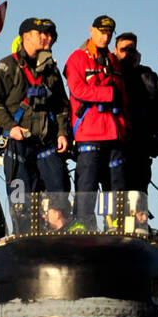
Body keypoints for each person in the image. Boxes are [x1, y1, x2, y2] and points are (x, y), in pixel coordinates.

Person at [0, 17, 70, 232]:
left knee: (59, 191)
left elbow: (62, 105)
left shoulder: (51, 70)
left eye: (50, 35)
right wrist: (11, 127)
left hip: (46, 142)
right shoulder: (7, 66)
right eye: (42, 34)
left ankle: (58, 232)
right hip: (19, 143)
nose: (48, 38)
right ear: (26, 37)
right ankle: (24, 234)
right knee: (21, 197)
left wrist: (62, 133)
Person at [63, 15, 128, 226]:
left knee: (114, 180)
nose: (105, 37)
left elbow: (123, 96)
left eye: (109, 33)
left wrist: (124, 127)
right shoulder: (77, 58)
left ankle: (113, 221)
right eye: (101, 32)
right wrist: (108, 94)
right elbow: (78, 90)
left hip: (114, 130)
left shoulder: (113, 60)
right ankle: (83, 222)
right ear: (92, 31)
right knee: (87, 180)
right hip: (89, 130)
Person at [110, 32, 158, 195]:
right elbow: (154, 119)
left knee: (137, 203)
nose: (127, 54)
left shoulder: (146, 76)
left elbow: (154, 117)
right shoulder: (107, 73)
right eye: (124, 50)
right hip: (115, 146)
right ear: (115, 50)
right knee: (115, 200)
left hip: (138, 151)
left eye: (131, 50)